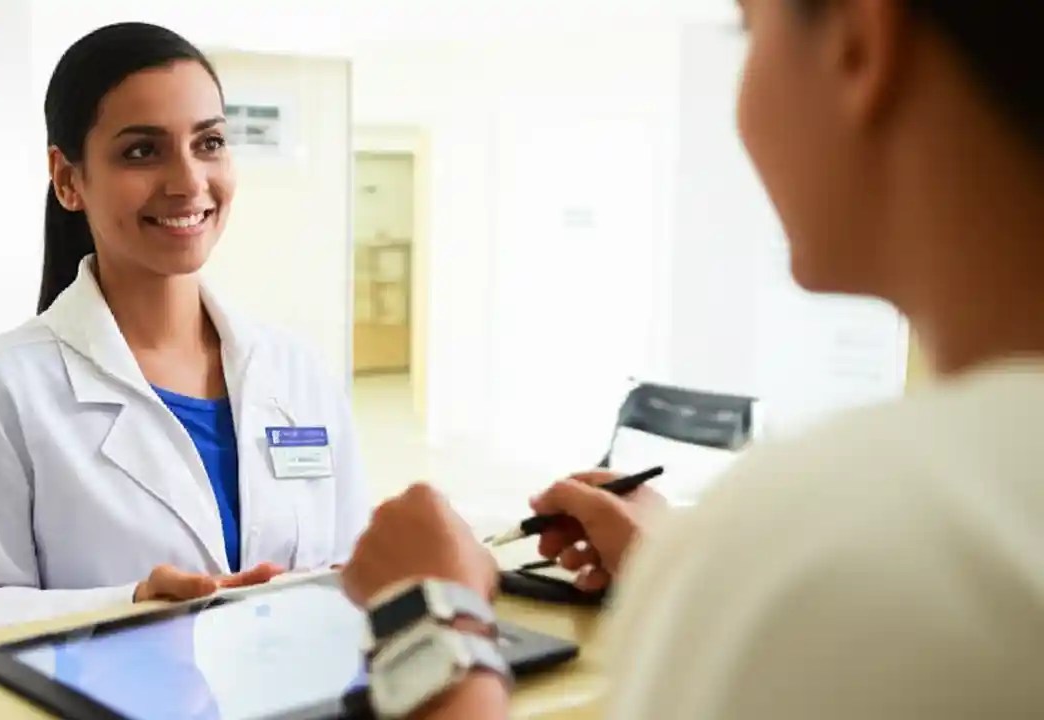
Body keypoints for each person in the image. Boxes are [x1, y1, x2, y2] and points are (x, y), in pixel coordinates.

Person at [342, 0, 1044, 717]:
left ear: (859, 46)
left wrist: (436, 621)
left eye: (749, 32)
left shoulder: (838, 542)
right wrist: (679, 565)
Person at [0, 22, 369, 642]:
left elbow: (355, 567)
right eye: (142, 151)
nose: (189, 182)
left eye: (210, 142)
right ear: (68, 179)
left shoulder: (296, 371)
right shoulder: (1, 386)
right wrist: (129, 605)